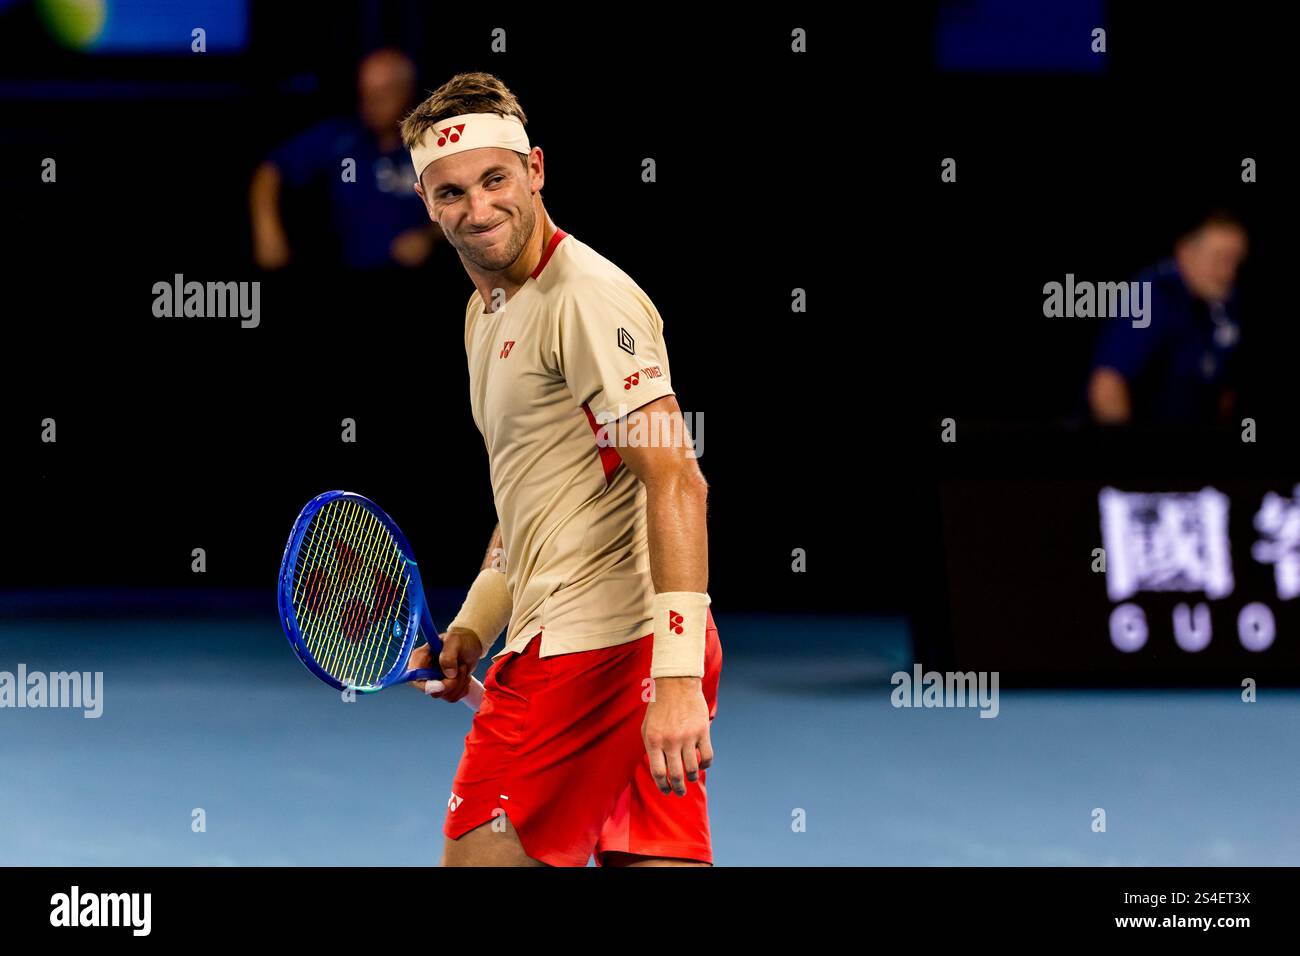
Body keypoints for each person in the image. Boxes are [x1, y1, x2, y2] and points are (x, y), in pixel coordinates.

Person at [400, 72, 721, 867]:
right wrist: (477, 621)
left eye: (495, 180)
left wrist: (674, 678)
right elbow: (537, 496)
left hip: (599, 653)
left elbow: (677, 478)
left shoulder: (585, 301)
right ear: (425, 202)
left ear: (536, 169)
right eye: (450, 194)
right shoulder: (489, 311)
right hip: (619, 643)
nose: (477, 211)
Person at [249, 49, 438, 271]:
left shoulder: (435, 145)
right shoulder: (341, 138)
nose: (372, 103)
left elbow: (468, 206)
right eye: (366, 92)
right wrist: (267, 232)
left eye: (383, 93)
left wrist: (429, 237)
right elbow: (271, 170)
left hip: (419, 275)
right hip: (345, 272)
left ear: (408, 93)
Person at [1087, 210, 1248, 425]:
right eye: (1218, 257)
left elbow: (1223, 387)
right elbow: (1107, 385)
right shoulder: (1152, 296)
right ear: (1186, 252)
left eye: (1235, 260)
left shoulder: (1227, 301)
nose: (1228, 272)